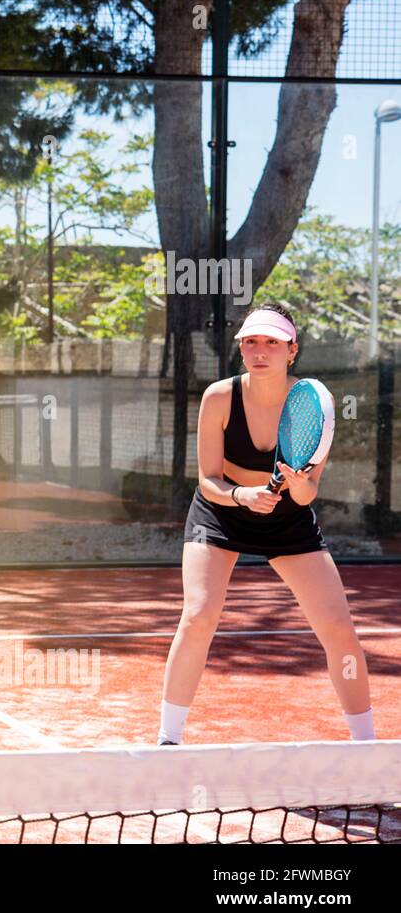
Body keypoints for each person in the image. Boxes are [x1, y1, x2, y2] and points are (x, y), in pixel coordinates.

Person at [159, 304, 374, 745]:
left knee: (338, 626)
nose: (260, 351)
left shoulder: (313, 403)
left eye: (272, 342)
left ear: (291, 350)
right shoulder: (219, 397)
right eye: (251, 342)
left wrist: (296, 485)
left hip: (288, 520)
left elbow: (309, 492)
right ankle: (168, 740)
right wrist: (242, 496)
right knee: (198, 615)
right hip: (219, 512)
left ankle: (367, 747)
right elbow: (207, 478)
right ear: (242, 349)